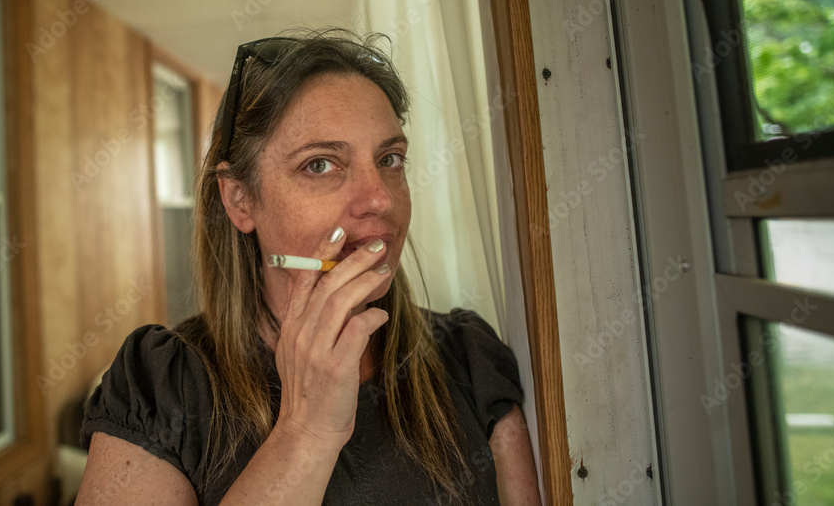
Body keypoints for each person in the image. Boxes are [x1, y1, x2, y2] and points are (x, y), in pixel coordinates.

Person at [77, 30, 542, 505]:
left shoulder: (469, 359)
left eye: (389, 159)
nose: (380, 198)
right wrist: (305, 432)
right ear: (239, 199)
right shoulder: (159, 386)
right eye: (320, 164)